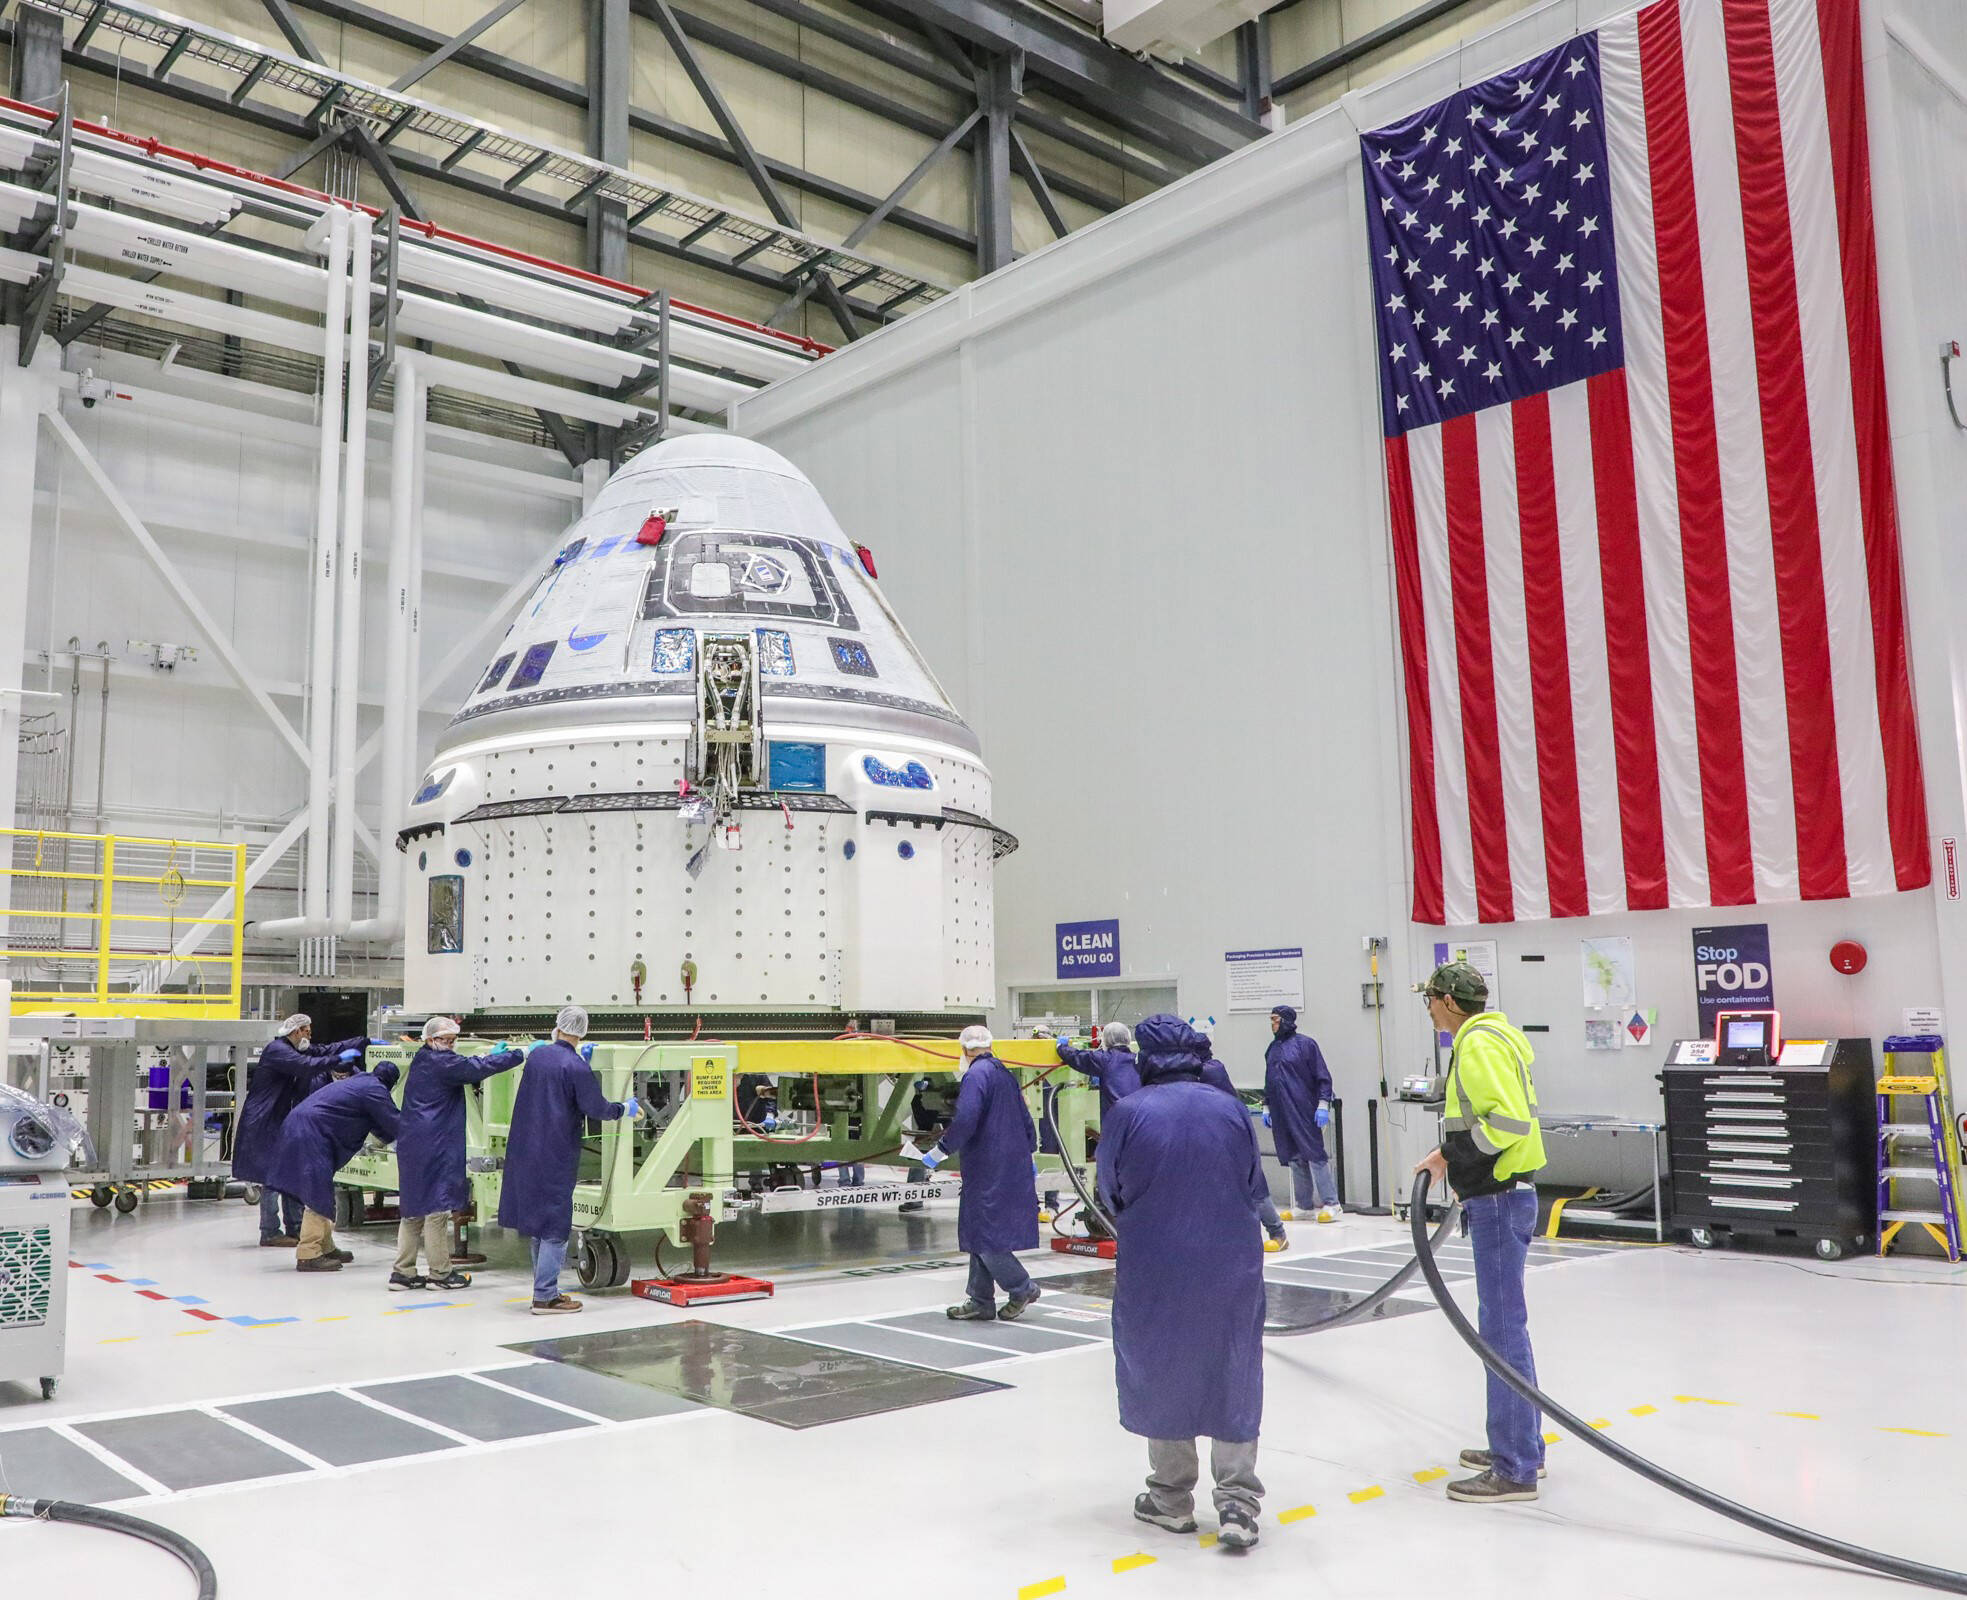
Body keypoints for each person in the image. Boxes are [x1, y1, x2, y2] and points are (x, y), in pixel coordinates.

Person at [1098, 1015, 1266, 1551]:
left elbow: (1110, 1191)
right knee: (1233, 1364)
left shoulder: (1128, 1112)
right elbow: (1253, 1184)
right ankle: (1238, 1502)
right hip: (1230, 1263)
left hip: (1156, 1264)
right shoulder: (1230, 1108)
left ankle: (1170, 1499)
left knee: (1160, 1362)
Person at [1411, 960, 1547, 1505]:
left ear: (1446, 1000)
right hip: (1503, 1194)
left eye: (1429, 1000)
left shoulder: (1478, 1044)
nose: (1427, 1009)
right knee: (1506, 1325)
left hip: (1497, 1197)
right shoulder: (1494, 1036)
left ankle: (1515, 1468)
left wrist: (1447, 1155)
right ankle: (1519, 1444)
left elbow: (1508, 1122)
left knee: (1502, 1330)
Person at [497, 1006, 637, 1315]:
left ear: (557, 1027)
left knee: (538, 1223)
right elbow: (596, 1108)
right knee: (556, 1227)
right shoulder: (575, 1067)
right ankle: (546, 1296)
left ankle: (543, 1289)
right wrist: (623, 1109)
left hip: (525, 1148)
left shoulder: (538, 1057)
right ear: (583, 1032)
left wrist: (579, 1063)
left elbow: (553, 1082)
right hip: (554, 1153)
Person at [391, 1017, 524, 1292]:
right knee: (436, 1209)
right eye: (444, 1040)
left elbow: (468, 1065)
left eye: (453, 1041)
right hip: (434, 1144)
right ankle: (440, 1274)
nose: (450, 1045)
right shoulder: (443, 1064)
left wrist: (487, 1056)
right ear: (429, 1040)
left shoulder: (424, 1059)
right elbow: (477, 1068)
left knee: (413, 1209)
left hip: (413, 1143)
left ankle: (402, 1273)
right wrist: (519, 1054)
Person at [922, 1025, 1039, 1321]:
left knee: (987, 1236)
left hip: (988, 1167)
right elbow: (1026, 1119)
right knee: (979, 1231)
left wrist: (941, 1150)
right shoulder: (1004, 1073)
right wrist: (1028, 1151)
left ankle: (1021, 1287)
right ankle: (980, 1299)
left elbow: (966, 1118)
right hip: (1009, 1163)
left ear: (963, 1050)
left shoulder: (976, 1075)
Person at [234, 1015, 372, 1247]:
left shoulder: (296, 1049)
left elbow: (326, 1049)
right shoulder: (278, 1050)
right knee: (271, 1177)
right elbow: (306, 1067)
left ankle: (295, 1227)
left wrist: (363, 1041)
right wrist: (338, 1059)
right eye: (307, 1031)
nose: (310, 1035)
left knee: (290, 1170)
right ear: (296, 1032)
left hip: (280, 1118)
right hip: (264, 1120)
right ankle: (269, 1231)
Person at [269, 1056, 402, 1272]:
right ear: (391, 1083)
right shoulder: (374, 1089)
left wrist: (394, 1139)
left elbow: (378, 1124)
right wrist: (419, 1140)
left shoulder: (361, 1082)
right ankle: (308, 1253)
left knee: (322, 1189)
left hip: (303, 1128)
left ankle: (325, 1246)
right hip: (311, 1134)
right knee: (317, 1192)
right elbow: (393, 1121)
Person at [1191, 1025, 1288, 1254]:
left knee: (1253, 1186)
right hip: (1221, 1134)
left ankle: (1278, 1233)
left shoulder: (1208, 1071)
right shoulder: (1210, 1067)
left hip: (1230, 1135)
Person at [1264, 1005, 1340, 1222]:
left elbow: (1322, 1076)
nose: (1272, 1024)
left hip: (1304, 1109)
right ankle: (1304, 1205)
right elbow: (1269, 1080)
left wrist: (1323, 1103)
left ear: (1286, 1020)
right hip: (1282, 1112)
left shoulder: (1306, 1045)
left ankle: (1332, 1203)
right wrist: (1267, 1106)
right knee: (1295, 1157)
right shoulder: (1272, 1049)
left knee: (1315, 1155)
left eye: (1275, 1019)